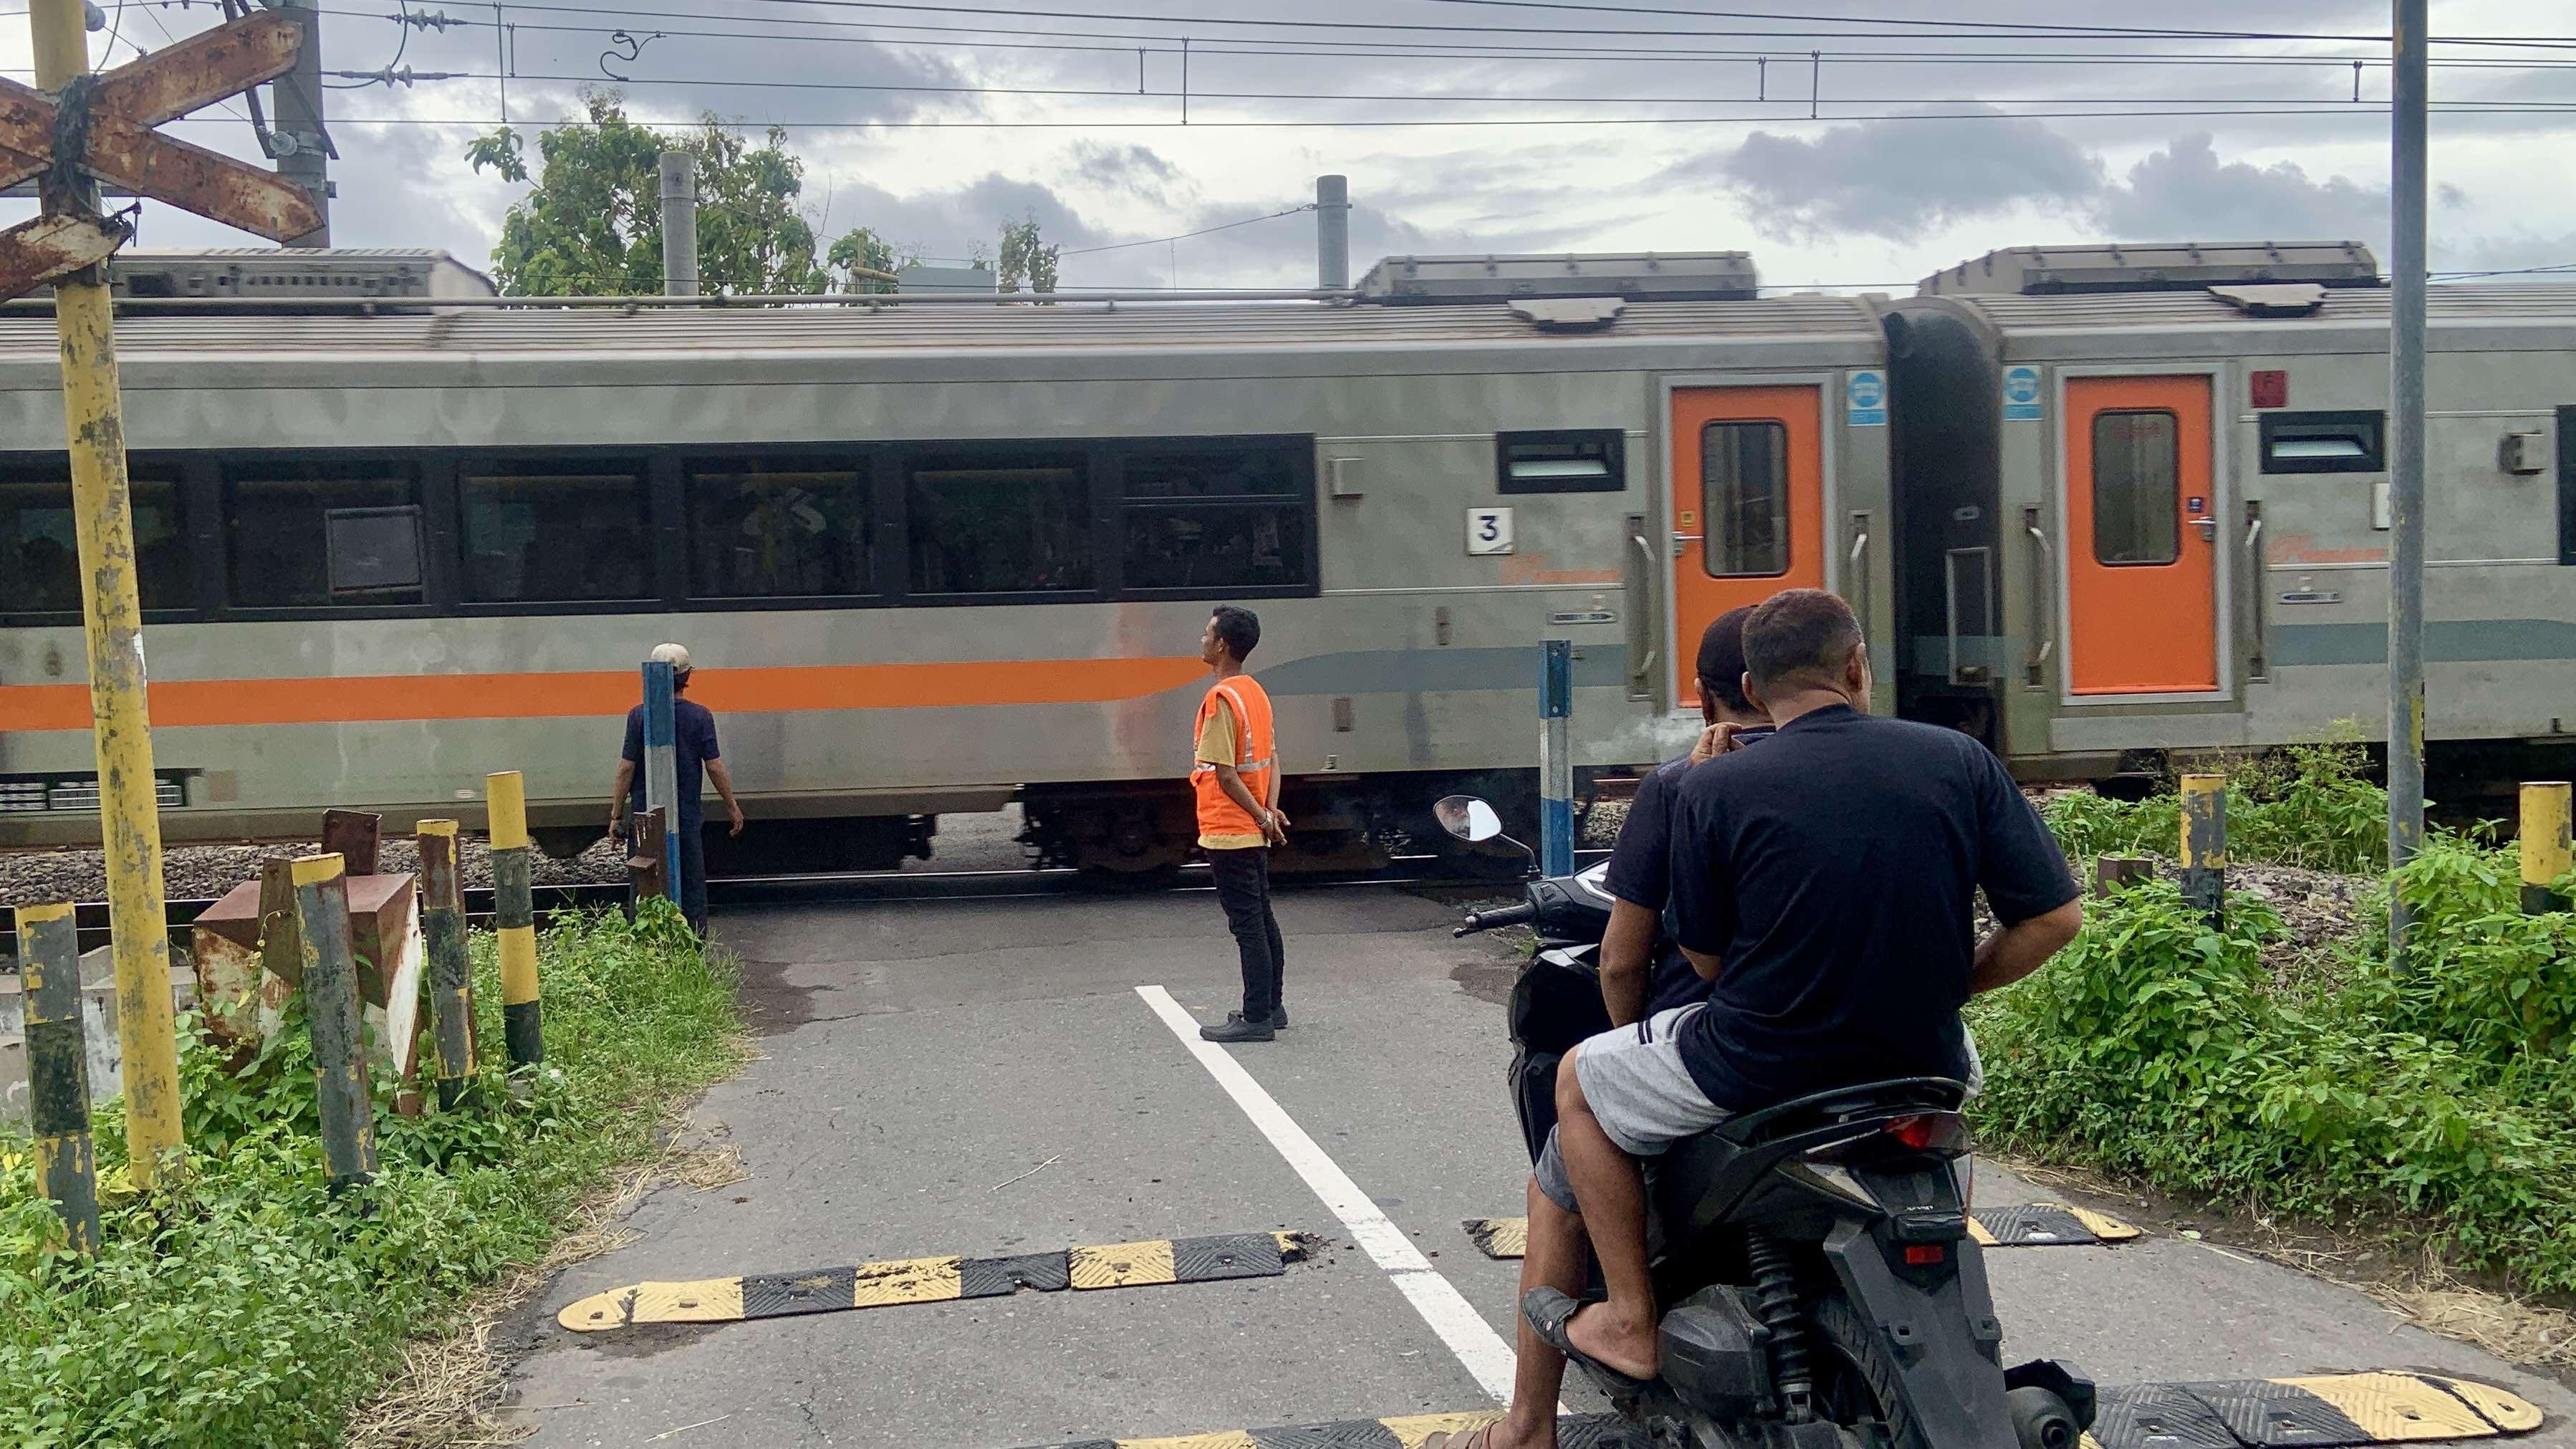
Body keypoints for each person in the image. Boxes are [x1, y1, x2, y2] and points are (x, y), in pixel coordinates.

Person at [1431, 591, 2082, 1449]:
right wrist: (1941, 987)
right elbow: (2053, 918)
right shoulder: (1956, 758)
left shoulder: (1709, 785)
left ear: (1743, 686)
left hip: (1760, 1062)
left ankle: (1621, 1323)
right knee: (1941, 1114)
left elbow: (1699, 963)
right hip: (1922, 1054)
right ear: (1855, 666)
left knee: (1579, 1079)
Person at [1600, 604, 1769, 1029]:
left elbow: (1620, 962)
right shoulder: (1854, 772)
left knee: (1576, 1068)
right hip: (1853, 1031)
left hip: (1700, 1026)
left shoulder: (1673, 785)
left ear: (1704, 696)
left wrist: (1631, 1040)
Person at [1192, 605, 1290, 1044]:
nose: (1202, 639)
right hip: (1252, 827)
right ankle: (1272, 1007)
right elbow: (1272, 759)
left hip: (1229, 829)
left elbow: (1227, 775)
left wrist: (1260, 816)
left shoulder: (1221, 699)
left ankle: (1255, 1018)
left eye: (1207, 634)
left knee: (1247, 924)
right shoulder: (1255, 692)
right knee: (1262, 917)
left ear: (1222, 646)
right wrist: (1269, 812)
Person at [609, 642, 746, 935]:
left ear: (650, 676)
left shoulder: (638, 716)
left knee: (644, 882)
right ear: (688, 676)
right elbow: (714, 766)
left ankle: (646, 942)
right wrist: (732, 805)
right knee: (692, 883)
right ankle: (693, 942)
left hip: (645, 818)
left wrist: (616, 816)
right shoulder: (700, 716)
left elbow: (626, 769)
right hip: (686, 818)